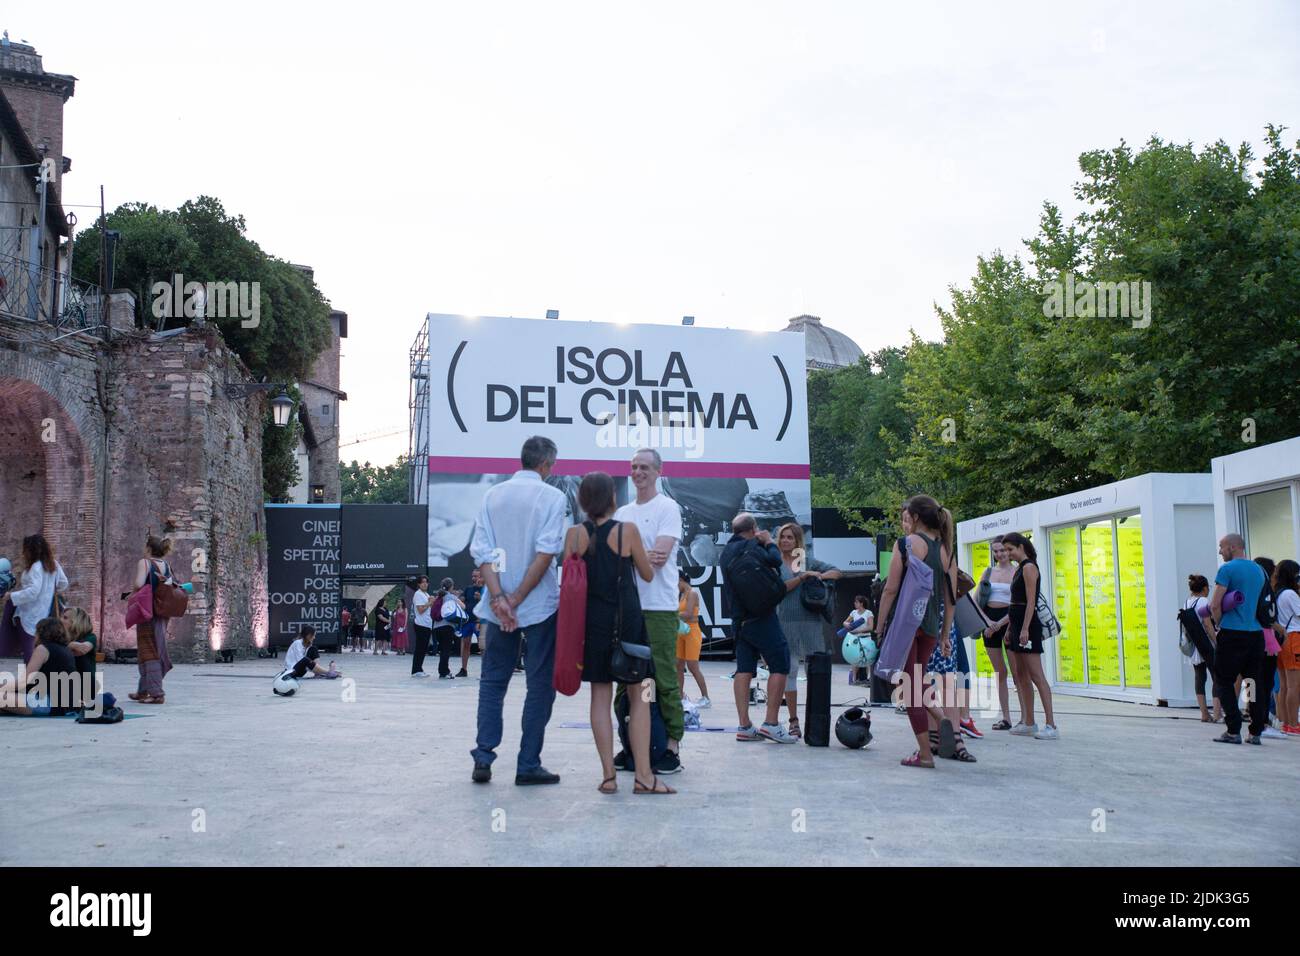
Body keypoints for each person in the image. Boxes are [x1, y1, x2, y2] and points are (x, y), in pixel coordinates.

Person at [564, 472, 675, 795]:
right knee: (641, 694)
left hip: (592, 623)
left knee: (599, 697)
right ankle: (644, 776)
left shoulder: (574, 535)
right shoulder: (628, 531)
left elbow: (571, 577)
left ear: (582, 500)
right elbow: (646, 574)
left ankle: (608, 776)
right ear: (612, 498)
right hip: (627, 622)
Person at [469, 436, 566, 786]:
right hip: (538, 605)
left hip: (498, 608)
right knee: (539, 685)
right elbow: (545, 554)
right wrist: (518, 599)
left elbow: (482, 552)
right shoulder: (553, 497)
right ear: (546, 465)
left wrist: (499, 600)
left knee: (493, 682)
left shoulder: (492, 495)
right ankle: (527, 764)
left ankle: (483, 756)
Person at [613, 448, 686, 775]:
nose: (637, 472)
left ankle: (672, 746)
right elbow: (615, 556)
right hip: (627, 608)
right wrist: (634, 553)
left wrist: (629, 551)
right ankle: (630, 744)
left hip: (658, 606)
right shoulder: (623, 512)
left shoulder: (668, 507)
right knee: (625, 677)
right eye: (633, 467)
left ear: (657, 471)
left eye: (644, 467)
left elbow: (660, 555)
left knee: (664, 677)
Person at [875, 495, 958, 767]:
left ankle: (924, 754)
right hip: (931, 625)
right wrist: (945, 635)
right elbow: (950, 598)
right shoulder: (946, 550)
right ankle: (940, 716)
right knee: (917, 680)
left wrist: (879, 625)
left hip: (906, 624)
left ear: (916, 516)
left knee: (908, 688)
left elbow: (890, 589)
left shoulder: (907, 544)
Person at [719, 512, 797, 744]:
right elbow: (774, 560)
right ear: (753, 528)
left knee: (744, 669)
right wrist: (769, 542)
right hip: (762, 616)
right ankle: (771, 723)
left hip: (739, 621)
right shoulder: (755, 545)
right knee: (780, 663)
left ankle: (744, 726)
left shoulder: (725, 553)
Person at [773, 521, 841, 738]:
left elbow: (838, 572)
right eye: (782, 537)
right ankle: (793, 720)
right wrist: (802, 578)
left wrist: (818, 576)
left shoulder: (804, 560)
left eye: (789, 537)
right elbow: (779, 590)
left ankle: (815, 718)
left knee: (815, 673)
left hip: (810, 623)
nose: (785, 541)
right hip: (784, 623)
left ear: (797, 540)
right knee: (789, 672)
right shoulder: (774, 563)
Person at [986, 532, 1057, 739]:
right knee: (1022, 675)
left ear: (1021, 547)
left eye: (1010, 549)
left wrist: (1025, 628)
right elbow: (1016, 604)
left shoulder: (1028, 567)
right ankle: (1029, 722)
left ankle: (1051, 724)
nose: (1007, 554)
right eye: (1004, 550)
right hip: (1016, 627)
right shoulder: (1020, 569)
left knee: (1037, 676)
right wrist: (1011, 629)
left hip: (1027, 628)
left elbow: (1030, 602)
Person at [1210, 534, 1268, 745]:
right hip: (1255, 634)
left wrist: (1217, 625)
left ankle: (1233, 729)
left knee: (1224, 681)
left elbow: (1215, 604)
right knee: (1252, 682)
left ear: (1233, 547)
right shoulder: (1259, 570)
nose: (1220, 551)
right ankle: (1255, 731)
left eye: (1221, 547)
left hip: (1232, 634)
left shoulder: (1227, 569)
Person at [6, 534, 70, 664]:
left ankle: (32, 680)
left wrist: (11, 596)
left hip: (29, 614)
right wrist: (49, 589)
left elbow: (33, 592)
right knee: (42, 650)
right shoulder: (54, 565)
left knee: (30, 652)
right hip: (45, 614)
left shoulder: (36, 567)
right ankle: (39, 679)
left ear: (31, 550)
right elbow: (64, 583)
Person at [130, 536, 177, 705]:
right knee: (148, 649)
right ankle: (142, 691)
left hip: (147, 610)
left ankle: (157, 693)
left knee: (149, 651)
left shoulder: (145, 563)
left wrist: (133, 591)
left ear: (148, 548)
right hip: (162, 611)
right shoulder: (167, 565)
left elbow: (138, 583)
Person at [976, 536, 1016, 730]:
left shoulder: (1017, 572)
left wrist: (1000, 623)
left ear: (1009, 550)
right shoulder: (988, 572)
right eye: (996, 551)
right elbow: (977, 601)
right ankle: (1006, 717)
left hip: (1009, 622)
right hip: (989, 623)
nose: (999, 554)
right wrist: (988, 622)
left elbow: (1019, 603)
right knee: (1000, 672)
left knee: (1018, 672)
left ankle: (1026, 718)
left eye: (1002, 550)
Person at [0, 616, 77, 715]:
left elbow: (24, 682)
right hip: (64, 705)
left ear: (41, 633)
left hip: (47, 703)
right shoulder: (66, 650)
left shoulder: (43, 649)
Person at [1254, 557, 1286, 739]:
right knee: (1266, 684)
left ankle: (1254, 718)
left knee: (1251, 682)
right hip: (1266, 641)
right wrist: (1277, 627)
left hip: (1249, 639)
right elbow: (1266, 615)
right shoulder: (1265, 589)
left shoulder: (1249, 588)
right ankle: (1263, 722)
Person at [1183, 575, 1221, 723]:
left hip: (1195, 645)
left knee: (1199, 677)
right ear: (1205, 588)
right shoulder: (1203, 601)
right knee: (1216, 676)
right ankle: (1217, 713)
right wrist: (1216, 641)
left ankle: (1204, 713)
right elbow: (1207, 624)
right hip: (1206, 644)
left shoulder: (1187, 602)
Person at [1272, 559, 1300, 735]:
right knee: (1294, 686)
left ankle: (1285, 723)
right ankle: (1294, 724)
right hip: (1294, 638)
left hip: (1281, 640)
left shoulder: (1278, 593)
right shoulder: (1291, 594)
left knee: (1283, 685)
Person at [676, 570, 710, 707]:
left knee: (692, 666)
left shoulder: (692, 593)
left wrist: (671, 614)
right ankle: (680, 697)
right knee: (678, 665)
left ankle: (706, 697)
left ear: (681, 580)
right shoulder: (681, 595)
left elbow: (689, 614)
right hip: (680, 631)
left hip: (692, 631)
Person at [273, 626, 341, 695]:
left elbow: (307, 665)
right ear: (308, 636)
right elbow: (302, 661)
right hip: (292, 672)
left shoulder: (307, 645)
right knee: (305, 660)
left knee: (313, 649)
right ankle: (328, 673)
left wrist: (317, 669)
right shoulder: (297, 643)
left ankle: (318, 673)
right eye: (313, 635)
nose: (314, 637)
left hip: (300, 669)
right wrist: (321, 670)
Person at [62, 606, 99, 710]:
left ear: (76, 622)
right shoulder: (62, 638)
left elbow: (83, 649)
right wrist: (71, 645)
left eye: (65, 618)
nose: (61, 620)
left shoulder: (90, 637)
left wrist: (69, 646)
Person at [837, 595, 874, 685]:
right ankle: (854, 679)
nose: (855, 603)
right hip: (856, 639)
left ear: (861, 603)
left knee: (867, 658)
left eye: (856, 602)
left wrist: (858, 630)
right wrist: (846, 624)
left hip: (866, 638)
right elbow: (845, 622)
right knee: (855, 658)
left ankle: (868, 678)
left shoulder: (868, 613)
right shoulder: (853, 612)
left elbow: (870, 627)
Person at [433, 578, 462, 679]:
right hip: (447, 626)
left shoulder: (439, 596)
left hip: (436, 627)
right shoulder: (450, 597)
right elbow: (463, 606)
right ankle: (444, 672)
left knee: (442, 649)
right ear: (451, 586)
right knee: (446, 650)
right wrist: (456, 597)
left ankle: (443, 670)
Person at [459, 568, 484, 677]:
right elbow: (461, 599)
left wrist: (480, 598)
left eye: (476, 576)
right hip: (468, 621)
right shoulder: (468, 589)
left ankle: (485, 671)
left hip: (479, 621)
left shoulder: (486, 590)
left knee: (482, 646)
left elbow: (489, 603)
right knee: (466, 644)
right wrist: (459, 598)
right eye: (473, 576)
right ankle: (463, 669)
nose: (474, 578)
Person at [410, 577, 434, 677]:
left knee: (423, 648)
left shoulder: (426, 594)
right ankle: (416, 670)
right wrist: (430, 603)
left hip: (427, 624)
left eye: (426, 582)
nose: (425, 584)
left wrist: (431, 602)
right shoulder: (418, 594)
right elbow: (420, 610)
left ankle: (419, 668)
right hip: (421, 624)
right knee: (420, 648)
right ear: (419, 584)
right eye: (422, 582)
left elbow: (429, 608)